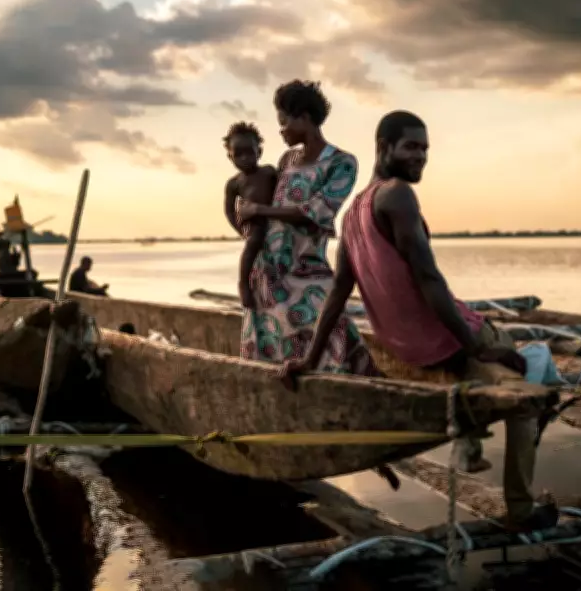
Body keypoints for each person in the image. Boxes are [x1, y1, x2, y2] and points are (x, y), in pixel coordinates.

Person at [279, 110, 556, 532]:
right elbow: (428, 278)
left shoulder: (353, 213)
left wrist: (310, 359)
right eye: (411, 146)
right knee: (532, 383)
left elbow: (338, 294)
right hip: (455, 337)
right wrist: (478, 346)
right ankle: (520, 507)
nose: (421, 156)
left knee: (516, 360)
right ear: (383, 147)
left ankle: (471, 435)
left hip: (418, 349)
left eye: (425, 148)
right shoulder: (396, 195)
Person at [237, 80, 379, 375]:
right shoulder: (287, 160)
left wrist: (258, 209)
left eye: (284, 121)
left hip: (306, 268)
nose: (282, 130)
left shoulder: (342, 163)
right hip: (269, 269)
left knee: (335, 327)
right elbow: (266, 210)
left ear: (304, 117)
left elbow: (316, 213)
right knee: (271, 342)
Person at [223, 122, 277, 309]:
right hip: (255, 226)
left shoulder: (269, 172)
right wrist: (241, 230)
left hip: (275, 222)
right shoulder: (234, 183)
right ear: (230, 156)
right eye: (238, 154)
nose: (245, 158)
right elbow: (229, 211)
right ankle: (243, 284)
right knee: (252, 245)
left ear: (259, 152)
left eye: (250, 152)